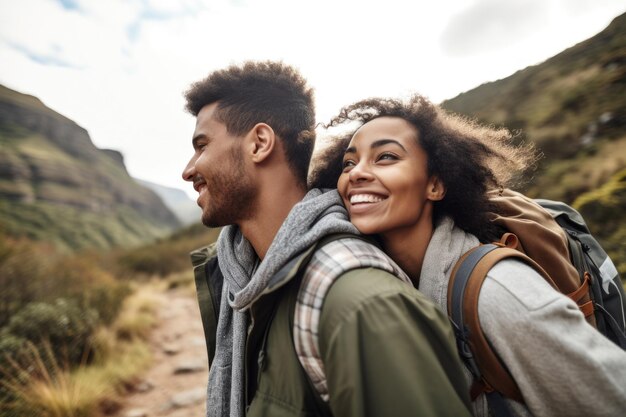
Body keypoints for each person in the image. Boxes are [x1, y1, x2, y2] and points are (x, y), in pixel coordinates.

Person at [181, 62, 472, 417]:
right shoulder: (244, 285)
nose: (189, 169)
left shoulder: (359, 303)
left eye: (201, 145)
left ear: (259, 143)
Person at [309, 94, 626, 417]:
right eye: (349, 162)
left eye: (386, 157)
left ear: (435, 185)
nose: (356, 174)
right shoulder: (391, 283)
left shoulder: (497, 291)